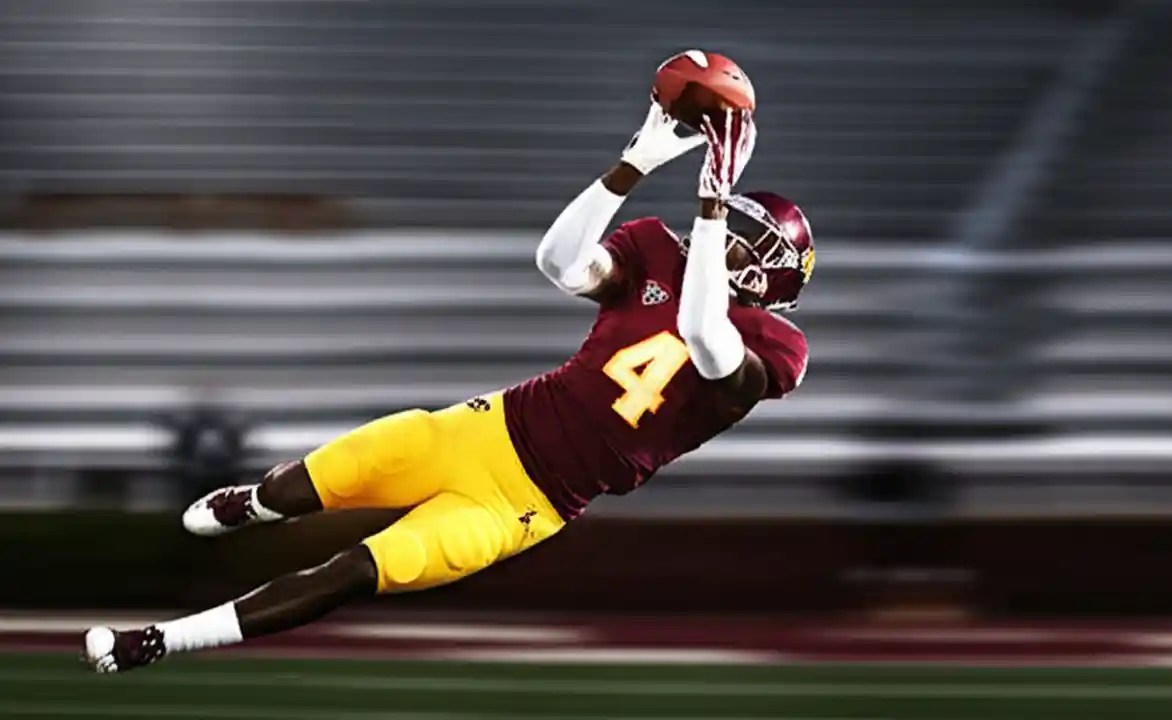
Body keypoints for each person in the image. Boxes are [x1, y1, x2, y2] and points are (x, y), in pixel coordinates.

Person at [83, 100, 815, 673]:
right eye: (733, 222)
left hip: (521, 505)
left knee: (353, 571)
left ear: (774, 275)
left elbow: (701, 332)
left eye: (749, 238)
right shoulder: (660, 250)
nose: (728, 238)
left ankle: (159, 641)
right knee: (300, 487)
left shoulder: (773, 348)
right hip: (482, 426)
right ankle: (256, 503)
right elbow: (558, 263)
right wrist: (634, 164)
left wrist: (712, 202)